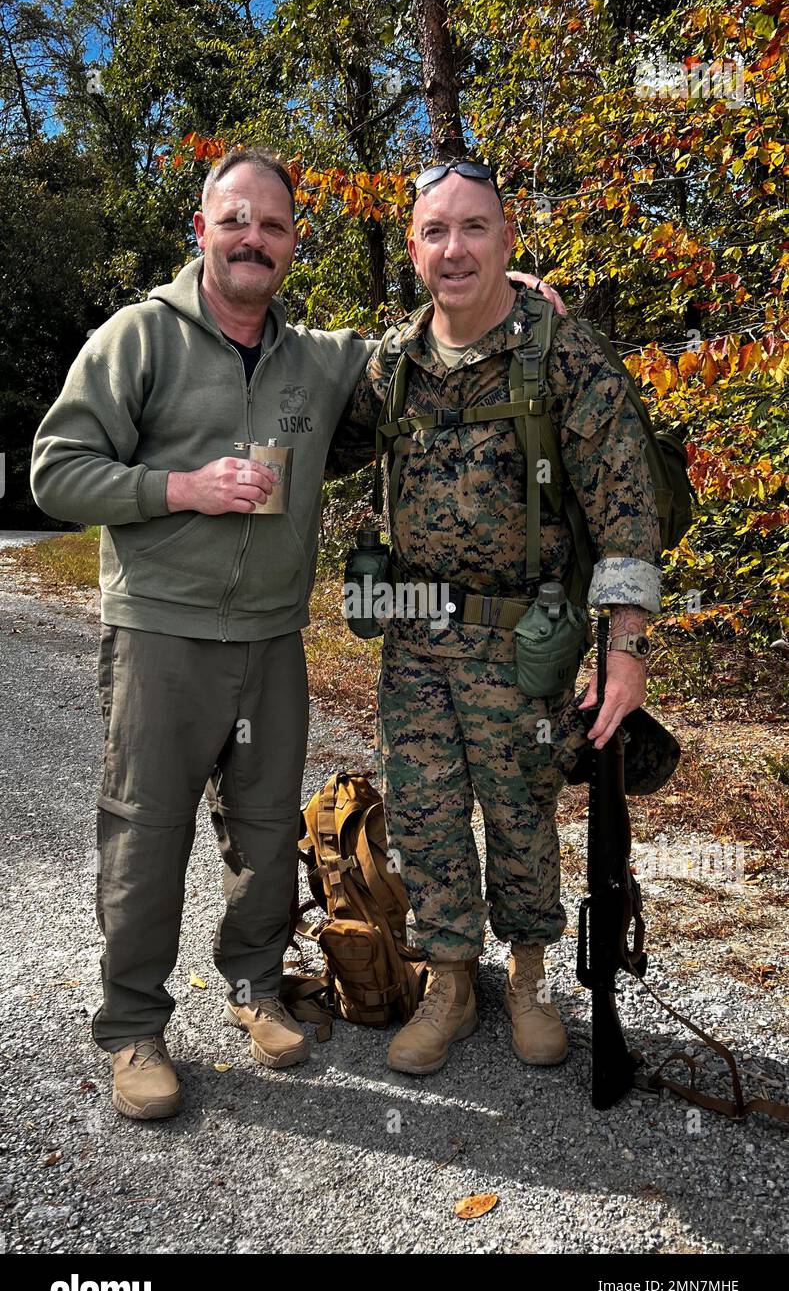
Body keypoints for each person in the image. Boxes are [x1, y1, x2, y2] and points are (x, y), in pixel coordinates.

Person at [30, 146, 559, 1119]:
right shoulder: (139, 338)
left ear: (292, 245)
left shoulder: (317, 357)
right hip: (162, 634)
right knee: (146, 836)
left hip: (272, 640)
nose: (252, 240)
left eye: (272, 227)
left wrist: (496, 295)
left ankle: (254, 990)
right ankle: (134, 1030)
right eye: (235, 220)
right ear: (203, 229)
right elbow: (53, 471)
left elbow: (419, 353)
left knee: (268, 835)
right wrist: (175, 487)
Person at [326, 160, 661, 1076]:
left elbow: (623, 503)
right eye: (435, 232)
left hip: (526, 640)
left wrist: (625, 645)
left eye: (474, 228)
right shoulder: (391, 364)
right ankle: (450, 983)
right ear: (412, 249)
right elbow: (315, 432)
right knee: (428, 813)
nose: (455, 249)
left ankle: (526, 976)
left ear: (508, 241)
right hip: (414, 634)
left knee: (521, 811)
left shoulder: (560, 351)